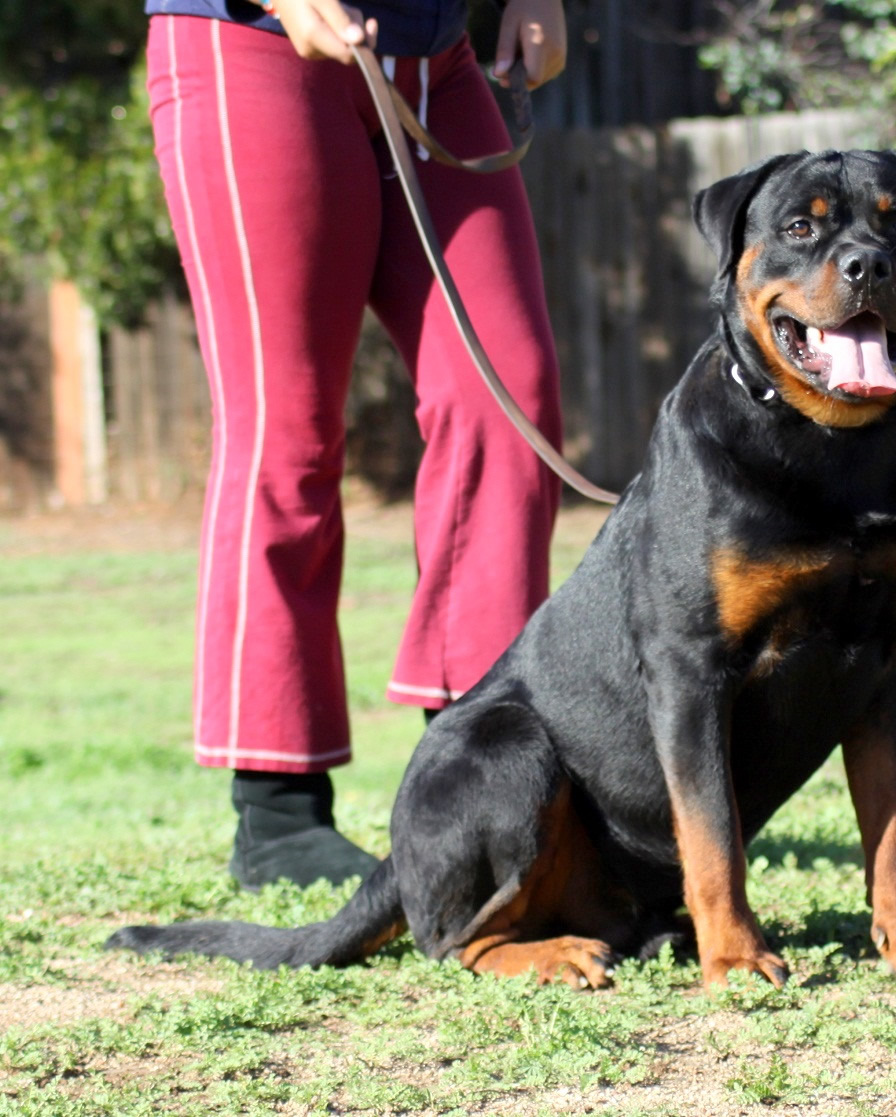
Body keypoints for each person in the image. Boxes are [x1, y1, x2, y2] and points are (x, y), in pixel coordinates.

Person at [143, 0, 566, 889]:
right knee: (285, 430)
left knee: (506, 399)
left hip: (436, 56)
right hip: (255, 44)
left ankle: (474, 775)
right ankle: (278, 812)